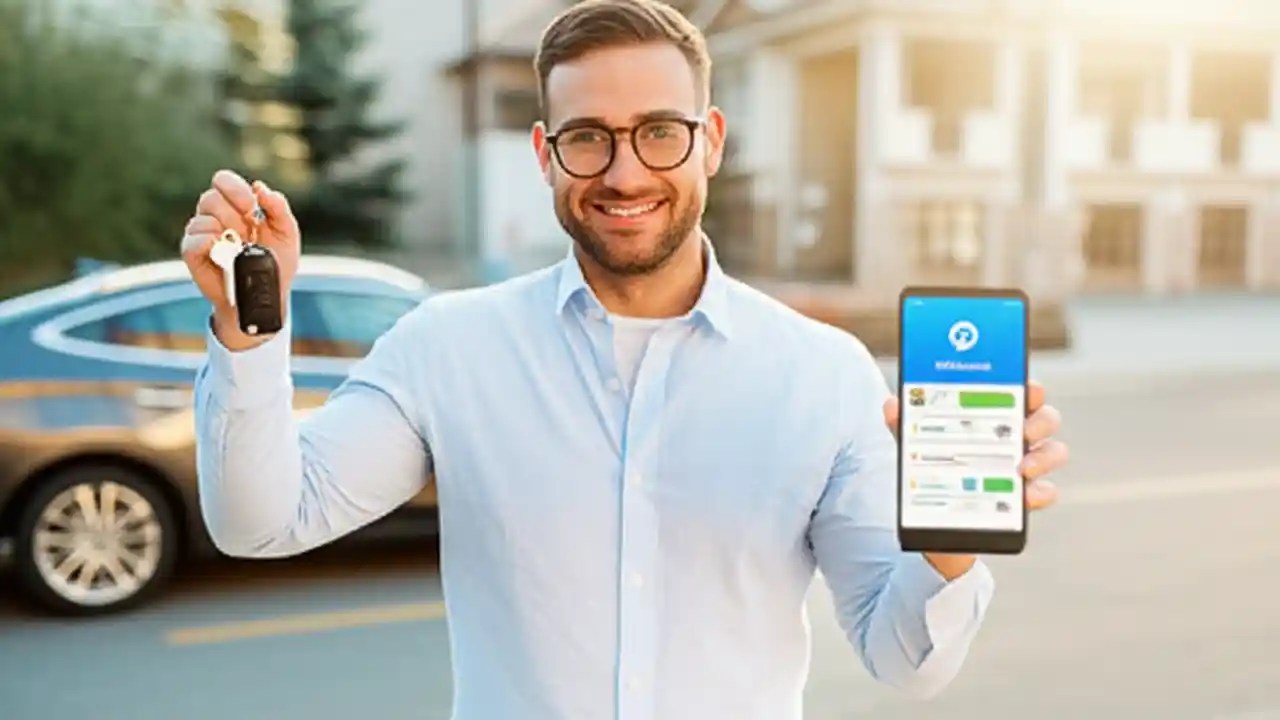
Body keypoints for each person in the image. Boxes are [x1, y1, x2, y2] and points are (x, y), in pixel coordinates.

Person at [180, 0, 1068, 717]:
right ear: (545, 153)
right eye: (588, 137)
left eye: (659, 132)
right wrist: (246, 334)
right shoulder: (446, 348)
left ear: (711, 141)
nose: (625, 171)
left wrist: (948, 549)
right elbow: (263, 523)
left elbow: (905, 662)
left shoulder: (824, 375)